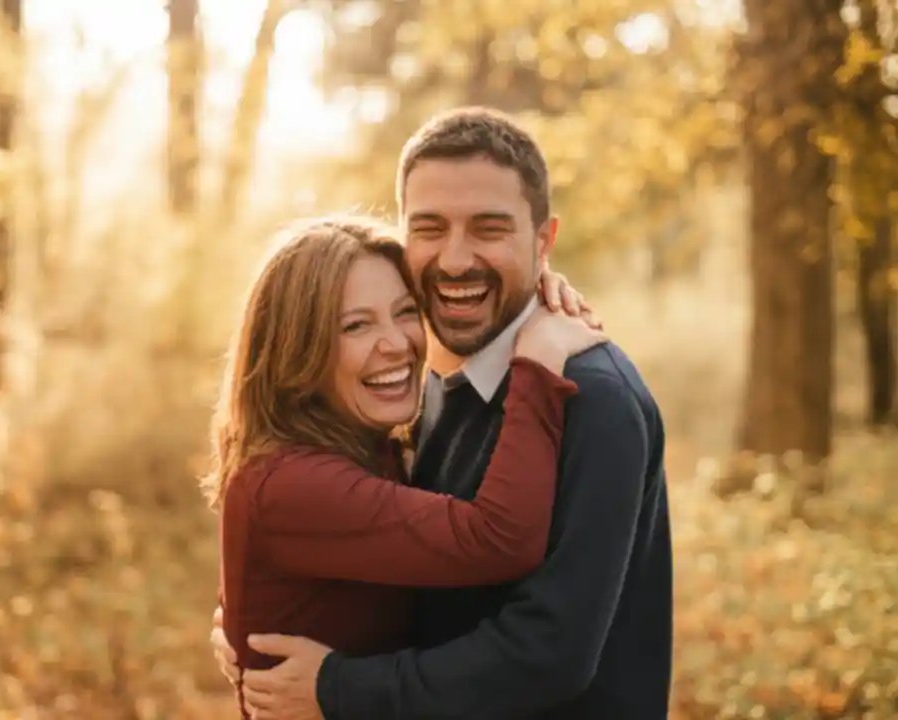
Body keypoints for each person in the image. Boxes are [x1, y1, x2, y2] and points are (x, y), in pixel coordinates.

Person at [213, 107, 674, 719]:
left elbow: (548, 651)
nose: (455, 261)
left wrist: (340, 687)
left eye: (489, 229)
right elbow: (390, 563)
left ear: (543, 242)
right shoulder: (430, 394)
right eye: (429, 228)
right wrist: (257, 617)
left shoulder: (593, 401)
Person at [205, 215, 607, 719]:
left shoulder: (367, 444)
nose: (396, 343)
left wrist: (529, 295)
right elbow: (499, 538)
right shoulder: (292, 484)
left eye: (405, 312)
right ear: (294, 347)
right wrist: (540, 359)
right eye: (355, 325)